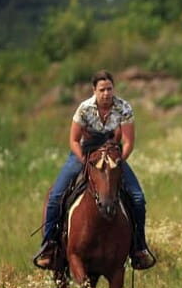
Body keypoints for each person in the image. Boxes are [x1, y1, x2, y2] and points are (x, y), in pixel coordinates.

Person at [32, 70, 156, 271]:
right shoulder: (84, 109)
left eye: (109, 89)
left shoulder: (123, 107)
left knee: (138, 198)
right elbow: (73, 140)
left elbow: (128, 141)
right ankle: (49, 246)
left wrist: (117, 163)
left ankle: (138, 249)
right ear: (94, 90)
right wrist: (84, 160)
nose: (106, 93)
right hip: (85, 152)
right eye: (102, 89)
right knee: (55, 195)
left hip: (112, 154)